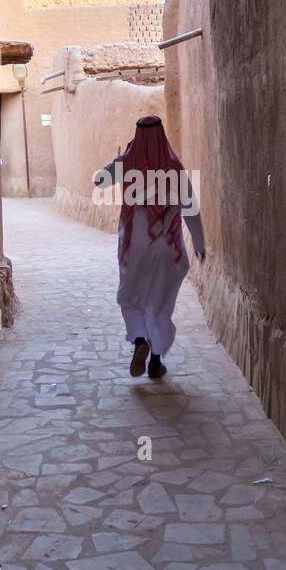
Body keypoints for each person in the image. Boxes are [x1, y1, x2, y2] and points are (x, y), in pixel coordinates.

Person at [93, 115, 205, 379]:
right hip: (168, 250)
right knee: (160, 303)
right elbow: (191, 209)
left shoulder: (126, 164)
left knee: (131, 297)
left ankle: (140, 340)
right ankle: (155, 360)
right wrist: (200, 243)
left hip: (135, 249)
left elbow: (98, 181)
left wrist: (116, 162)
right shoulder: (174, 168)